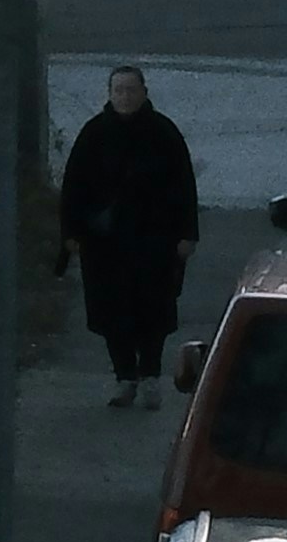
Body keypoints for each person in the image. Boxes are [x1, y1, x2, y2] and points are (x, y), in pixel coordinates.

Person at [57, 60, 201, 406]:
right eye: (119, 90)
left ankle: (150, 376)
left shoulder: (164, 133)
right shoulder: (94, 135)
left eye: (131, 90)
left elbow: (184, 185)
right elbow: (73, 188)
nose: (125, 96)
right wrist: (71, 233)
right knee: (112, 312)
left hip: (155, 240)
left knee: (153, 311)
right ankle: (124, 377)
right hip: (105, 245)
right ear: (109, 94)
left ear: (144, 92)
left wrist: (187, 234)